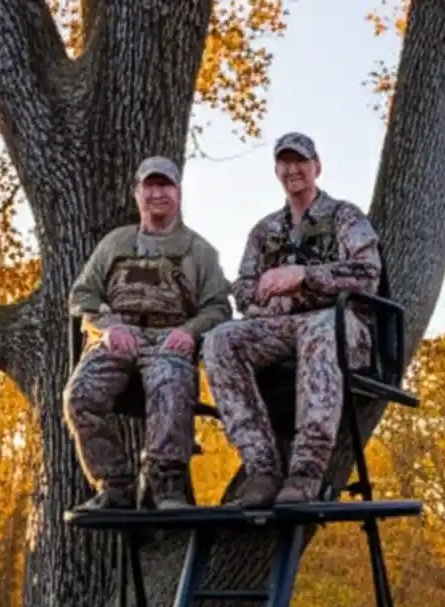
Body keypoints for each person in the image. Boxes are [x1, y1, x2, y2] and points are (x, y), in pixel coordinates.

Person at [202, 132, 380, 508]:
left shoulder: (344, 216)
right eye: (285, 163)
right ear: (276, 171)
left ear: (317, 167)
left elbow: (368, 274)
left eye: (300, 161)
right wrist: (266, 298)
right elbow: (247, 291)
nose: (293, 169)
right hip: (282, 327)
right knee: (220, 339)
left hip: (343, 324)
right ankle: (262, 469)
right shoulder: (264, 231)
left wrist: (304, 276)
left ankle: (305, 472)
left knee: (320, 328)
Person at [64, 155, 232, 511]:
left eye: (165, 186)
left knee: (171, 384)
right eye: (150, 186)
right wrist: (108, 328)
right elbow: (82, 296)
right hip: (117, 338)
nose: (158, 193)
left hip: (169, 339)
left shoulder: (199, 251)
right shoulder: (114, 244)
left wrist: (190, 332)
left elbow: (219, 307)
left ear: (179, 193)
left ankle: (165, 485)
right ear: (137, 194)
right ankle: (114, 485)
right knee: (79, 396)